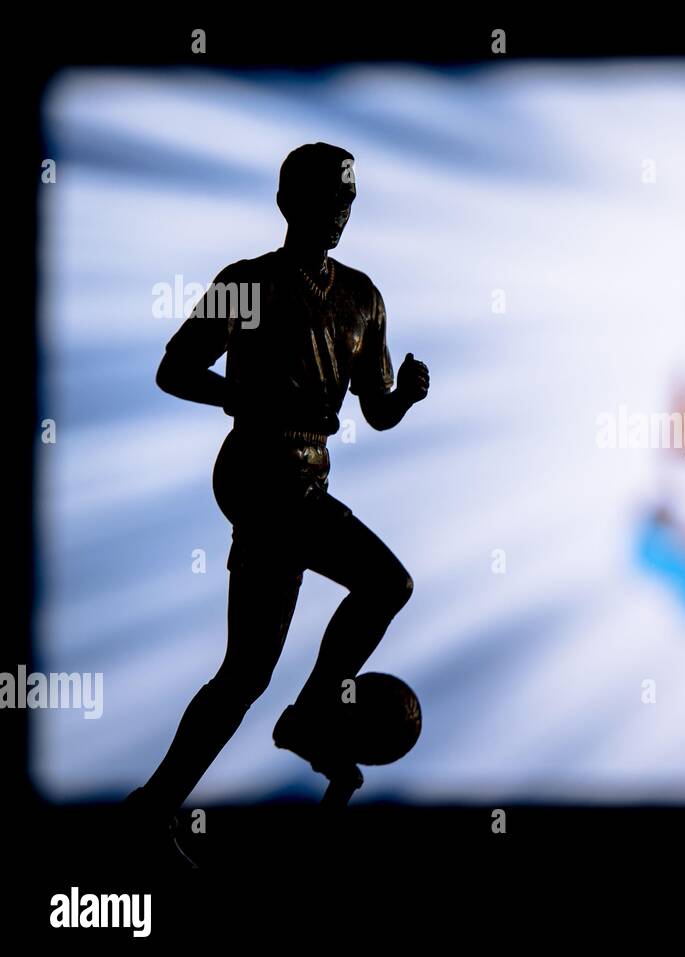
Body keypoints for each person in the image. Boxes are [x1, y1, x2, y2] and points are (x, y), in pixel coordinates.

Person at [124, 143, 430, 864]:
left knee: (245, 672)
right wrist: (241, 393)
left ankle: (154, 803)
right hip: (259, 471)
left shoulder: (363, 297)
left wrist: (406, 396)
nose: (336, 214)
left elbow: (376, 410)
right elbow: (174, 367)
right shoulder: (247, 282)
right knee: (387, 582)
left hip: (310, 477)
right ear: (287, 203)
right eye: (323, 199)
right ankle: (314, 714)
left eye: (346, 202)